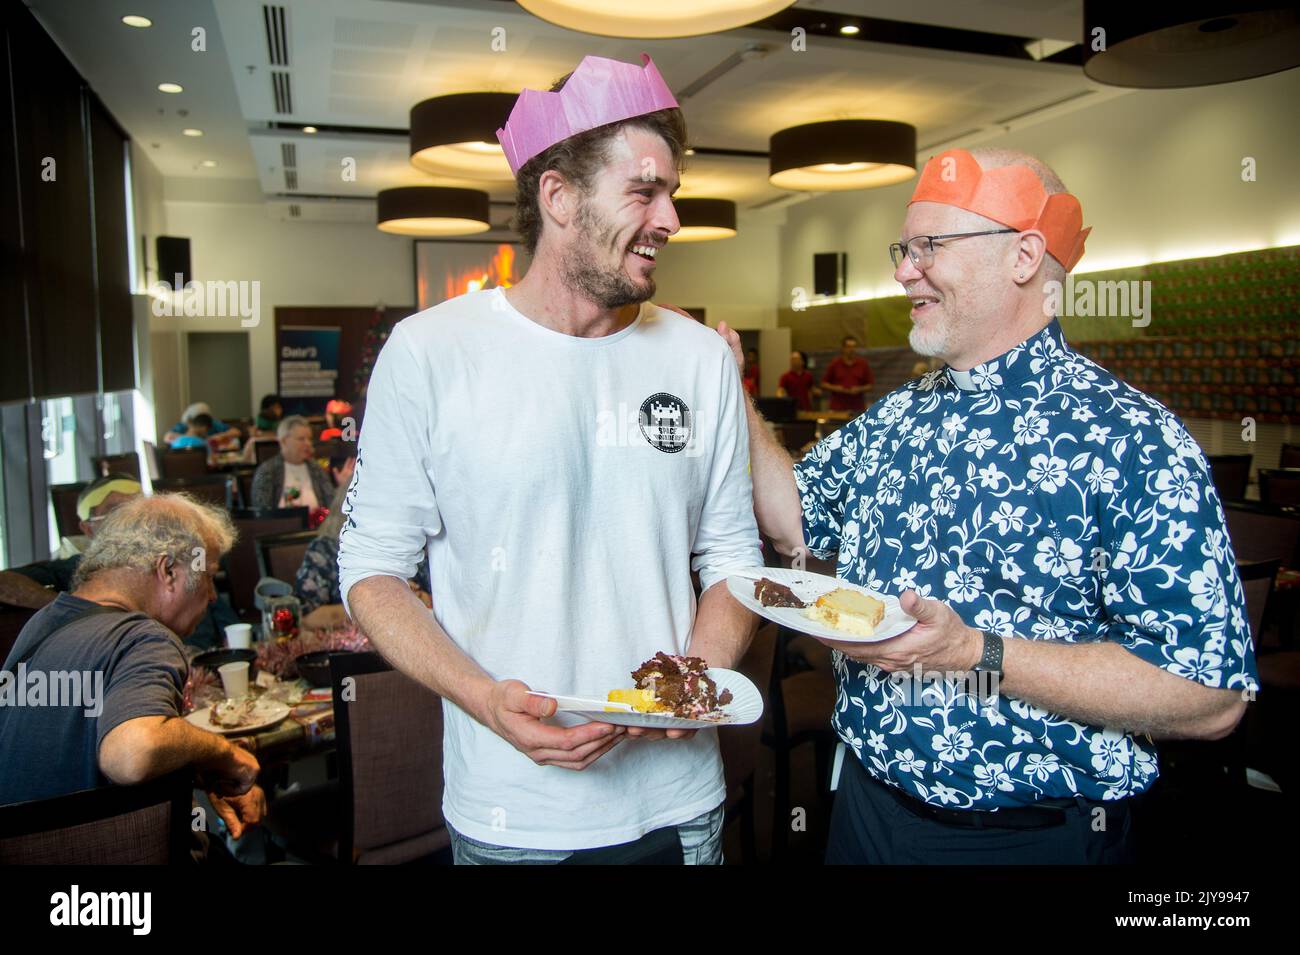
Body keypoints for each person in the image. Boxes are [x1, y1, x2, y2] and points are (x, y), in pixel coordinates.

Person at [724, 147, 1257, 864]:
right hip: (866, 811)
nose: (903, 269)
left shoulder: (1133, 440)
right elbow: (794, 517)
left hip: (1036, 838)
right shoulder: (899, 415)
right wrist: (738, 396)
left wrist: (976, 652)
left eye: (929, 247)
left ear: (1024, 257)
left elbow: (1211, 694)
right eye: (904, 248)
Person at [339, 53, 760, 864]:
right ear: (558, 197)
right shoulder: (429, 353)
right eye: (644, 191)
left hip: (679, 800)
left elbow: (734, 555)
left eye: (674, 192)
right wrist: (483, 700)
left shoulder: (700, 357)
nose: (670, 218)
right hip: (512, 813)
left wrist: (697, 673)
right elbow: (372, 570)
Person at [0, 494, 265, 846]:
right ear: (169, 571)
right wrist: (225, 754)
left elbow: (73, 749)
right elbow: (132, 753)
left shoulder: (42, 624)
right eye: (208, 577)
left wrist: (199, 770)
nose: (213, 596)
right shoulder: (142, 637)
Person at [296, 484, 430, 630]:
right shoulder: (324, 550)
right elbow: (309, 618)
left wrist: (419, 598)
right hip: (346, 646)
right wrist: (380, 602)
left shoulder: (410, 546)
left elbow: (434, 600)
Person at [0, 474, 142, 609]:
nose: (132, 522)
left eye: (142, 511)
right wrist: (70, 608)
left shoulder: (161, 557)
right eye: (116, 513)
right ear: (88, 529)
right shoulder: (79, 569)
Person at [249, 416, 332, 511]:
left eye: (309, 439)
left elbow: (332, 504)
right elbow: (261, 512)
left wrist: (342, 485)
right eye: (301, 439)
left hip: (319, 525)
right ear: (283, 441)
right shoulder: (267, 471)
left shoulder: (315, 468)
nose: (308, 443)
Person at [820, 335, 873, 413]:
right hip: (837, 408)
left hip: (857, 407)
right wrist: (836, 388)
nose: (852, 349)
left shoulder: (863, 364)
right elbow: (823, 384)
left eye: (854, 347)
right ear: (843, 348)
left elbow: (870, 385)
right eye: (849, 347)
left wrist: (859, 389)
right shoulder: (835, 364)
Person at [163, 402, 238, 448]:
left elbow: (236, 432)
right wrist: (191, 438)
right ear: (190, 421)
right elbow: (167, 438)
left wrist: (220, 436)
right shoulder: (182, 426)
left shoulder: (213, 423)